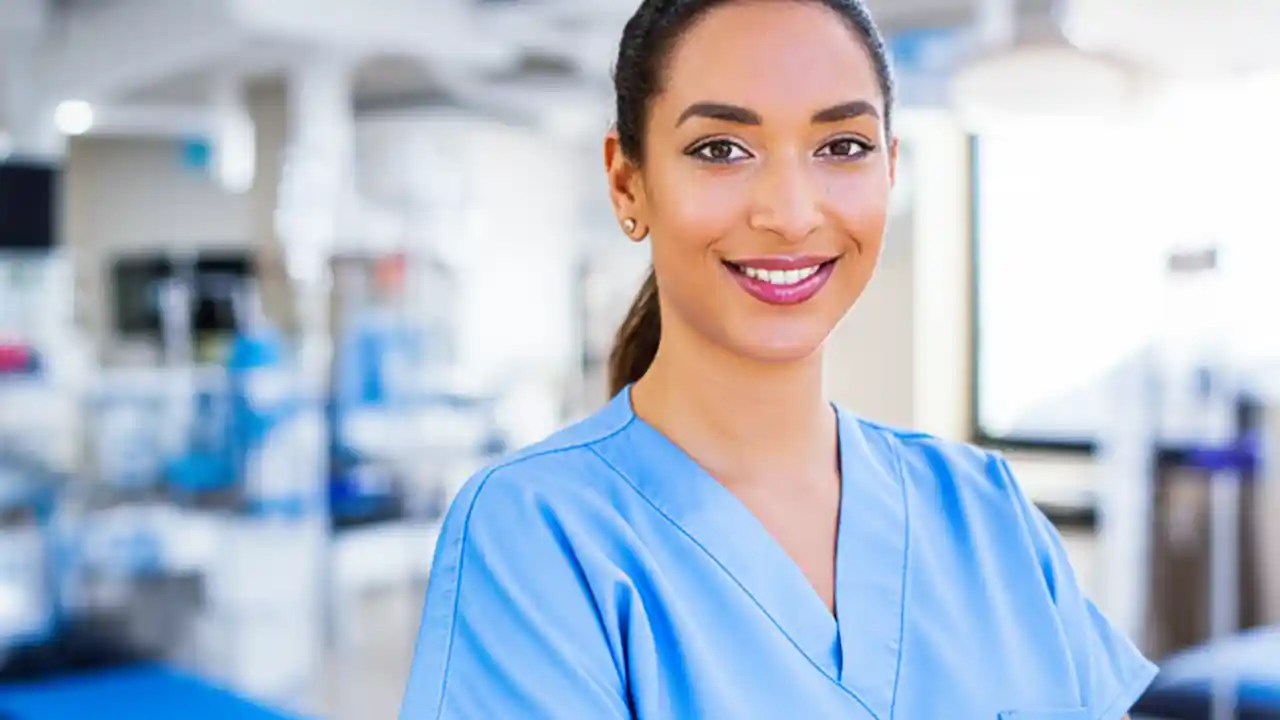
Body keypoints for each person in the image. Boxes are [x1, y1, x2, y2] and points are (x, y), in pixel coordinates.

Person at [400, 1, 1158, 718]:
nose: (792, 213)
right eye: (721, 150)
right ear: (628, 182)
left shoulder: (986, 513)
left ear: (890, 170)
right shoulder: (540, 531)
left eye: (843, 147)